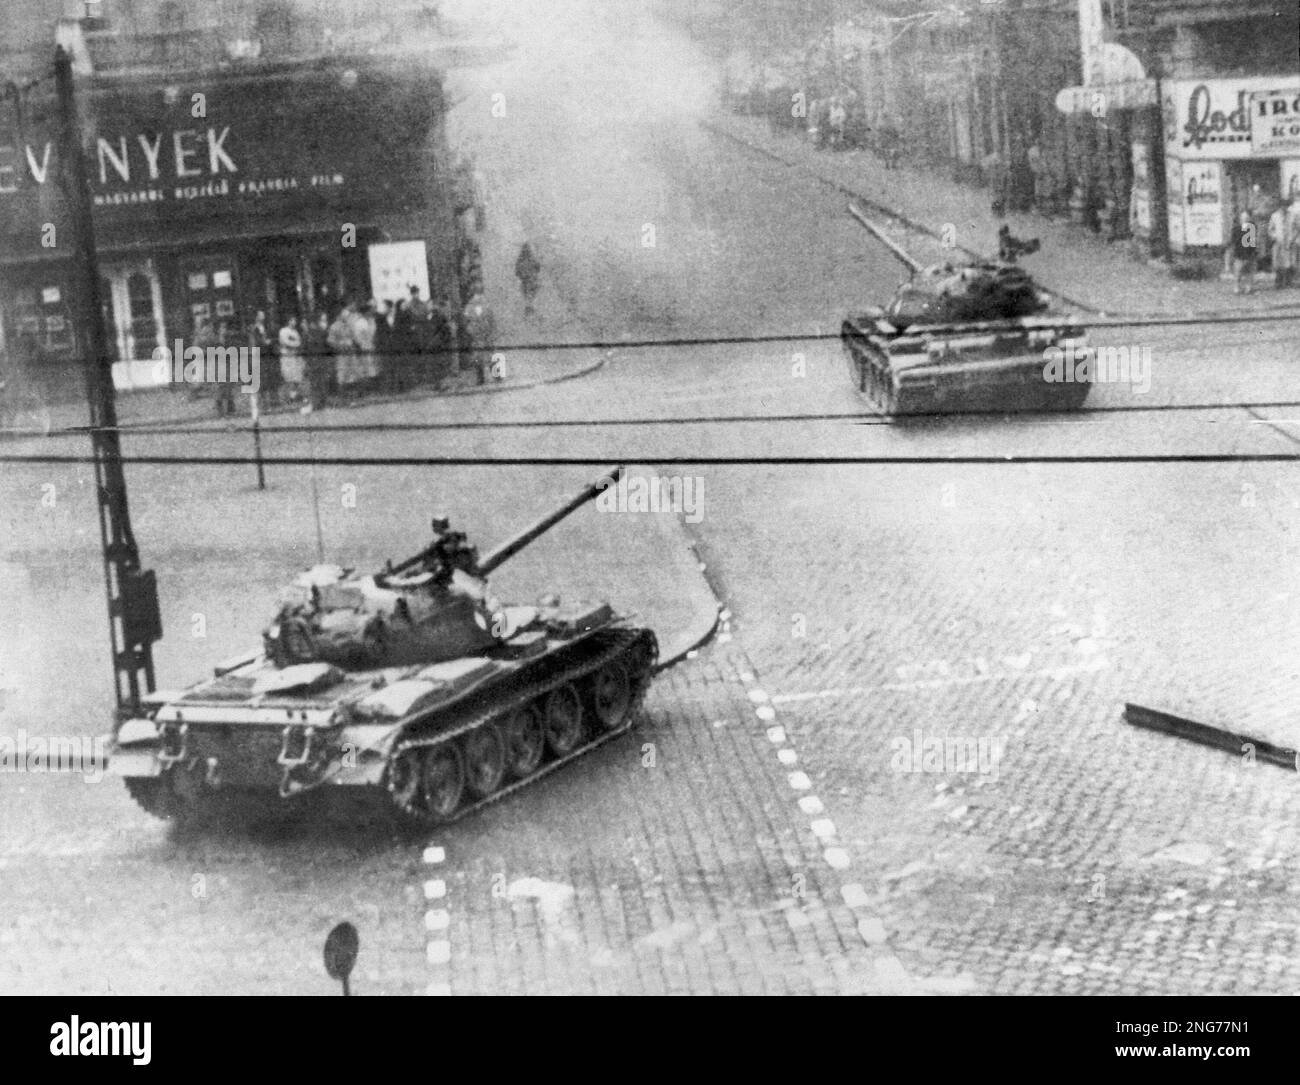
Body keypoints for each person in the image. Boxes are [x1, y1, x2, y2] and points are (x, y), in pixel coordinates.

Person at [460, 292, 495, 385]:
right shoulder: (469, 307)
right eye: (475, 296)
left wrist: (491, 332)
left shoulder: (487, 306)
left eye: (479, 295)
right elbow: (465, 320)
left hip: (485, 335)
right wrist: (469, 330)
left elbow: (492, 320)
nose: (477, 298)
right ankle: (480, 378)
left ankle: (496, 375)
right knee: (477, 357)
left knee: (489, 355)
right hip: (475, 336)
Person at [327, 302, 360, 394]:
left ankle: (353, 393)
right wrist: (340, 346)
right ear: (340, 314)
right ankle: (342, 393)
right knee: (342, 372)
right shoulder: (334, 326)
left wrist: (354, 344)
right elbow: (331, 341)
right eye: (345, 313)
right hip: (341, 354)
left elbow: (354, 338)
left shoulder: (349, 325)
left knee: (352, 372)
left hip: (351, 352)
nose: (347, 315)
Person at [248, 309, 278, 405]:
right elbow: (254, 342)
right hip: (259, 355)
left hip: (268, 354)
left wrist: (269, 342)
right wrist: (264, 342)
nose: (263, 317)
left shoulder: (266, 328)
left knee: (270, 376)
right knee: (262, 378)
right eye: (261, 315)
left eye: (263, 315)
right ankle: (264, 400)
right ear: (256, 317)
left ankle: (273, 399)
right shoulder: (253, 329)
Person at [303, 309, 332, 409]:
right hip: (317, 360)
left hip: (317, 360)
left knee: (318, 382)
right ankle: (320, 402)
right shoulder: (316, 333)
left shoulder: (316, 333)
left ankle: (319, 402)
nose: (324, 323)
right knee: (318, 382)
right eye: (323, 320)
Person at [1230, 209, 1257, 295]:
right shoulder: (1236, 228)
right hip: (1239, 254)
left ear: (1249, 218)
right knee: (1238, 272)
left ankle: (1248, 287)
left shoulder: (1252, 228)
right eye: (1243, 217)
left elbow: (1253, 242)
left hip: (1249, 253)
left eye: (1246, 217)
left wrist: (1253, 252)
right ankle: (1236, 287)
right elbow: (1233, 242)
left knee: (1249, 272)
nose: (1245, 219)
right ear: (1240, 218)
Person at [277, 315, 304, 401]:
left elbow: (299, 342)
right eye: (292, 320)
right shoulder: (283, 331)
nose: (294, 322)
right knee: (287, 377)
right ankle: (286, 396)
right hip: (286, 356)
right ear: (288, 321)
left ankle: (293, 396)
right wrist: (294, 344)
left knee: (296, 378)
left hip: (294, 356)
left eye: (295, 320)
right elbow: (285, 342)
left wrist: (295, 344)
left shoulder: (296, 332)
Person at [214, 319, 237, 418]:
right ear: (219, 330)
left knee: (229, 387)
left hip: (228, 364)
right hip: (218, 366)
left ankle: (229, 408)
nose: (224, 330)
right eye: (222, 328)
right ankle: (220, 409)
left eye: (225, 328)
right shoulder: (215, 342)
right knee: (221, 387)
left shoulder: (229, 341)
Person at [1268, 201, 1293, 289]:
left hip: (1288, 242)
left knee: (1288, 262)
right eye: (1283, 206)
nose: (1284, 208)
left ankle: (1287, 282)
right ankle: (1278, 282)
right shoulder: (1275, 216)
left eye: (1286, 206)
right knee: (1278, 262)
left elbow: (1296, 227)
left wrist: (1292, 238)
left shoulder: (1291, 215)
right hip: (1278, 242)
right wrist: (1275, 237)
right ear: (1280, 206)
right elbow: (1270, 229)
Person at [514, 242, 542, 318]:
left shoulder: (520, 260)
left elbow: (517, 272)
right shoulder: (533, 259)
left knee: (526, 294)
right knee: (532, 294)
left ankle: (528, 306)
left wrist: (522, 275)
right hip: (533, 280)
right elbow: (538, 268)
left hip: (525, 282)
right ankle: (531, 306)